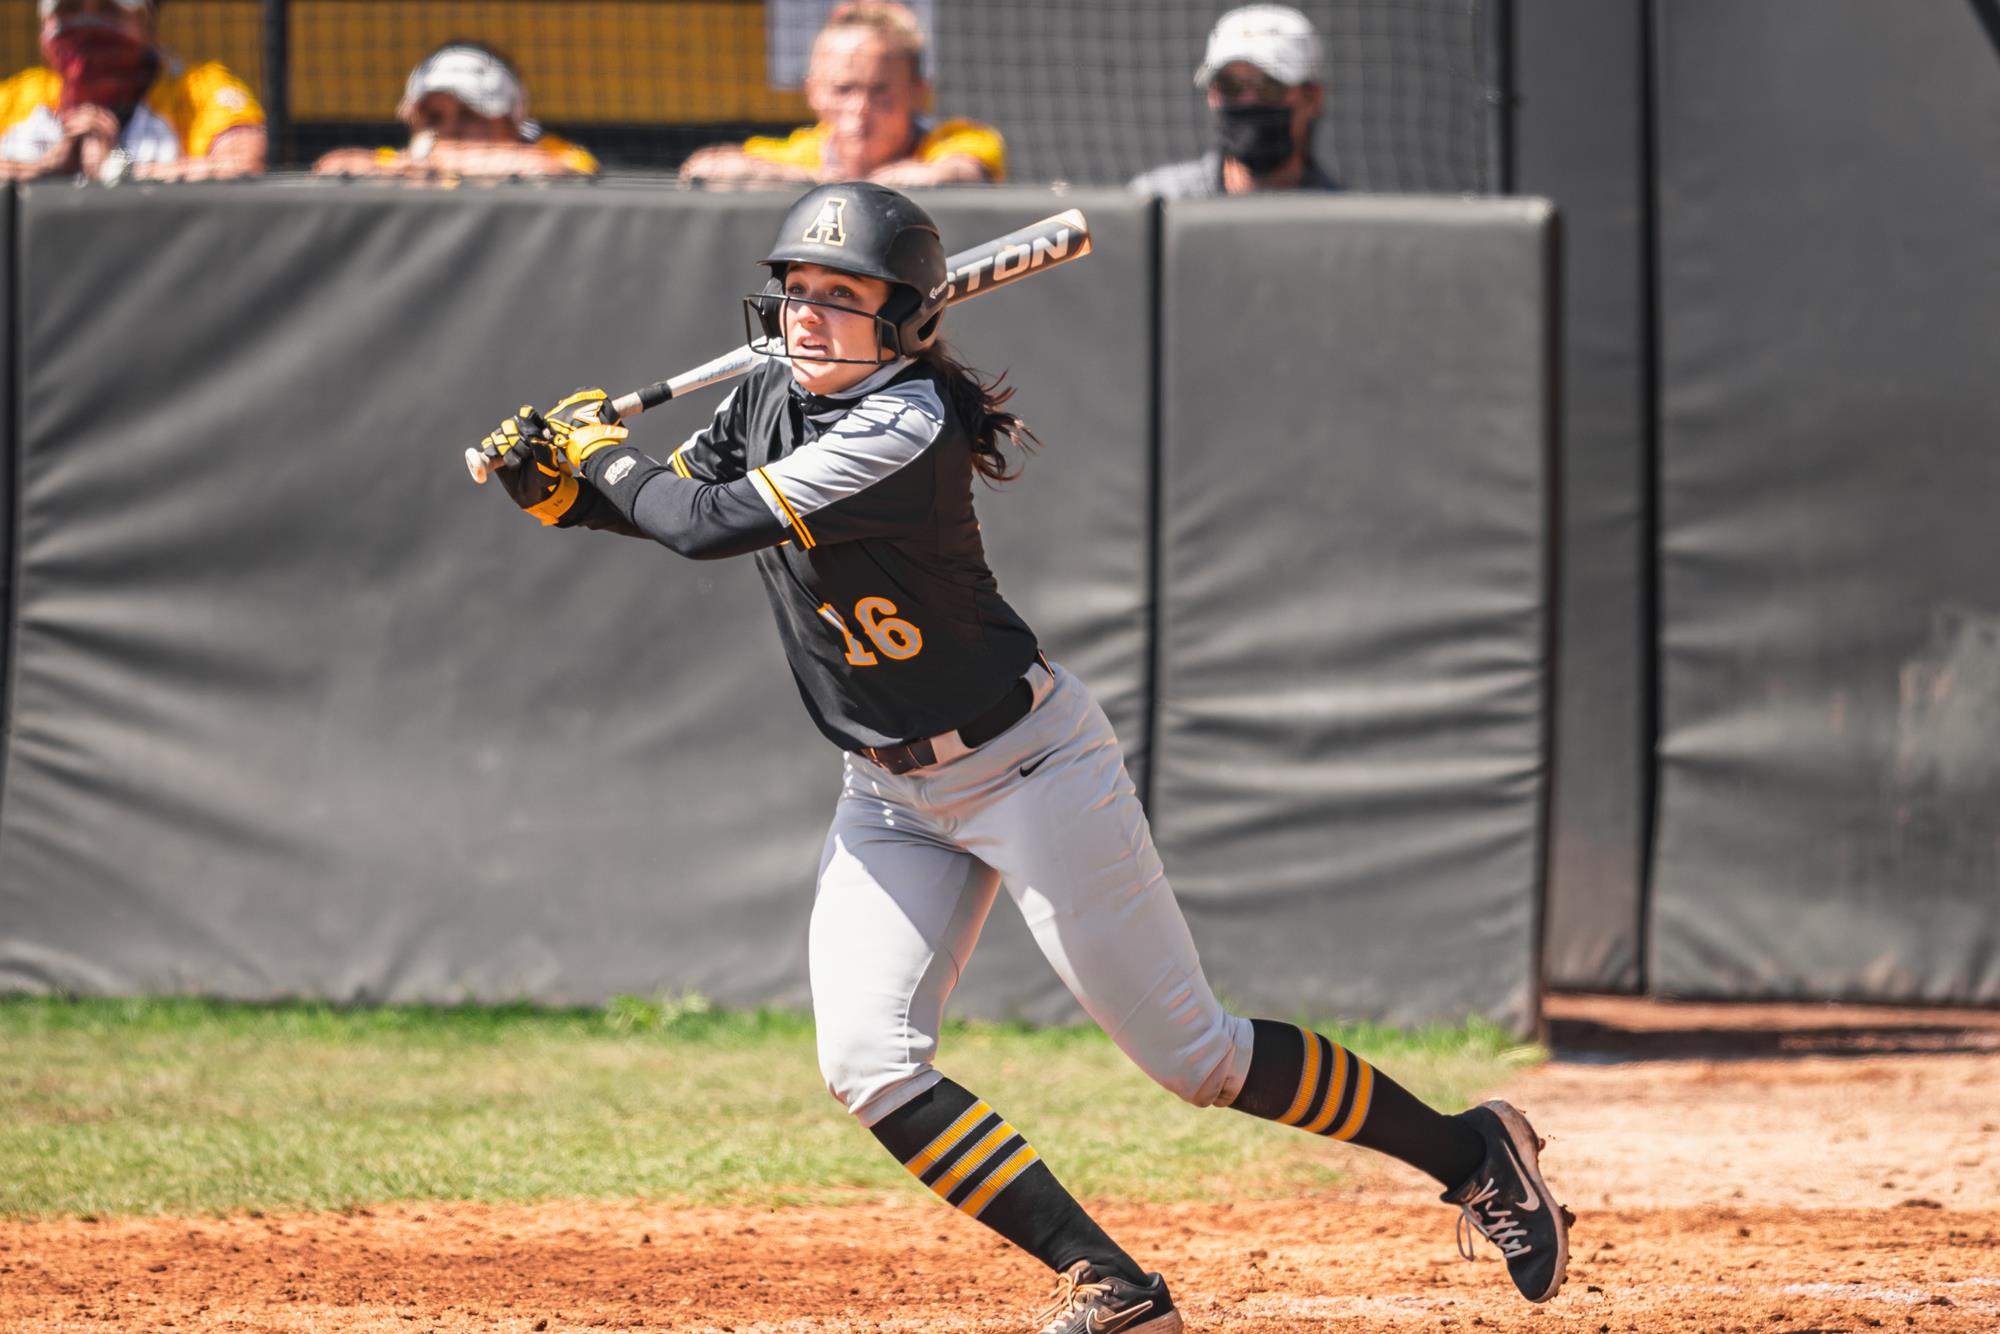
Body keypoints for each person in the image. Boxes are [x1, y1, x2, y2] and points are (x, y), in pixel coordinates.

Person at [474, 182, 1569, 1333]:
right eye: (794, 291)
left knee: (1195, 1057)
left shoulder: (905, 426)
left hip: (1028, 767)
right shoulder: (763, 396)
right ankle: (1114, 1284)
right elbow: (663, 504)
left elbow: (706, 526)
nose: (804, 315)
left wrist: (601, 451)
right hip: (886, 789)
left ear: (905, 319)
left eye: (839, 297)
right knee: (867, 1061)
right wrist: (557, 490)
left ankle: (1470, 1151)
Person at [678, 1, 1002, 189]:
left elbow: (964, 171)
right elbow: (704, 169)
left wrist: (923, 177)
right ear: (812, 92)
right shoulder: (804, 151)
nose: (859, 109)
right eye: (843, 89)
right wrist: (817, 179)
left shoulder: (959, 140)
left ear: (920, 92)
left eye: (879, 90)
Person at [0, 0, 264, 183]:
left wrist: (119, 172)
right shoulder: (14, 96)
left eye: (108, 9)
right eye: (69, 8)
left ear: (147, 21)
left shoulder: (199, 90)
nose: (87, 23)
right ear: (43, 23)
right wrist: (45, 171)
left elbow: (243, 167)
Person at [1130, 3, 1339, 198]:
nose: (1247, 100)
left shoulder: (1341, 217)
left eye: (1269, 87)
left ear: (1312, 98)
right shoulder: (1158, 199)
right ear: (1211, 95)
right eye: (1229, 87)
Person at [311, 41, 597, 182]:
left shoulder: (554, 155)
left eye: (471, 115)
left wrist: (431, 162)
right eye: (433, 117)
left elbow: (558, 169)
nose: (449, 130)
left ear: (509, 121)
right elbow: (332, 166)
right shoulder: (405, 161)